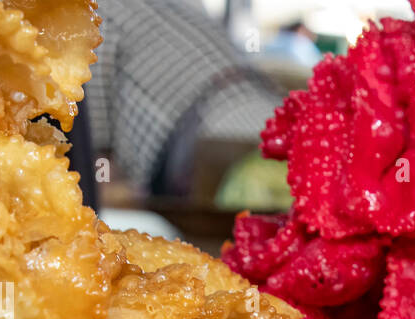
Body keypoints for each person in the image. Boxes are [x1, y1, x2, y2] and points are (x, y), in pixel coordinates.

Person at [84, 0, 285, 197]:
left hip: (216, 155)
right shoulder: (178, 7)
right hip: (275, 128)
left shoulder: (90, 17)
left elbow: (100, 161)